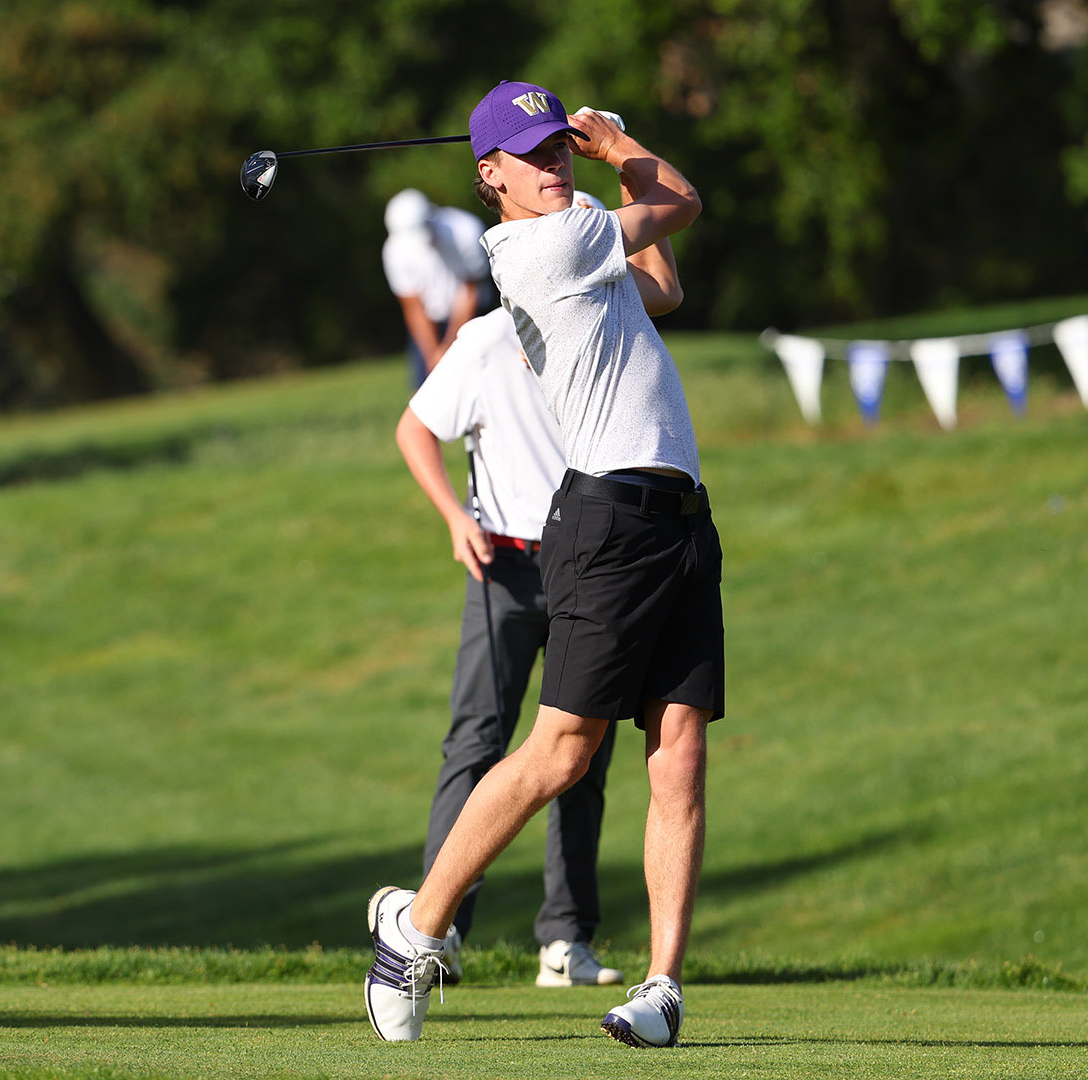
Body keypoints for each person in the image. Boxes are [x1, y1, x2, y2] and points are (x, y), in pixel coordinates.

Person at [364, 81, 718, 1051]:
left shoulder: (587, 242)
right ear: (491, 176)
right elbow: (681, 199)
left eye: (561, 145)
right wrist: (618, 145)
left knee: (679, 749)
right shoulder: (545, 245)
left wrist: (606, 163)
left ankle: (661, 987)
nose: (557, 162)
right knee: (564, 751)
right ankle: (416, 927)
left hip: (679, 517)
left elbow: (667, 287)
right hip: (605, 520)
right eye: (539, 153)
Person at [395, 191, 623, 995]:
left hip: (584, 561)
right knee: (477, 745)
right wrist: (453, 516)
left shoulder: (596, 326)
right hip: (501, 562)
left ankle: (566, 938)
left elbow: (663, 265)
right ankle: (437, 930)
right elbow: (415, 429)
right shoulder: (484, 340)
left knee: (580, 756)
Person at [382, 189, 491, 386]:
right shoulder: (394, 251)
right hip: (431, 319)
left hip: (473, 316)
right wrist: (433, 354)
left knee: (477, 383)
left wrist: (448, 346)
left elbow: (469, 293)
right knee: (424, 389)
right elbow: (414, 307)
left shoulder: (466, 231)